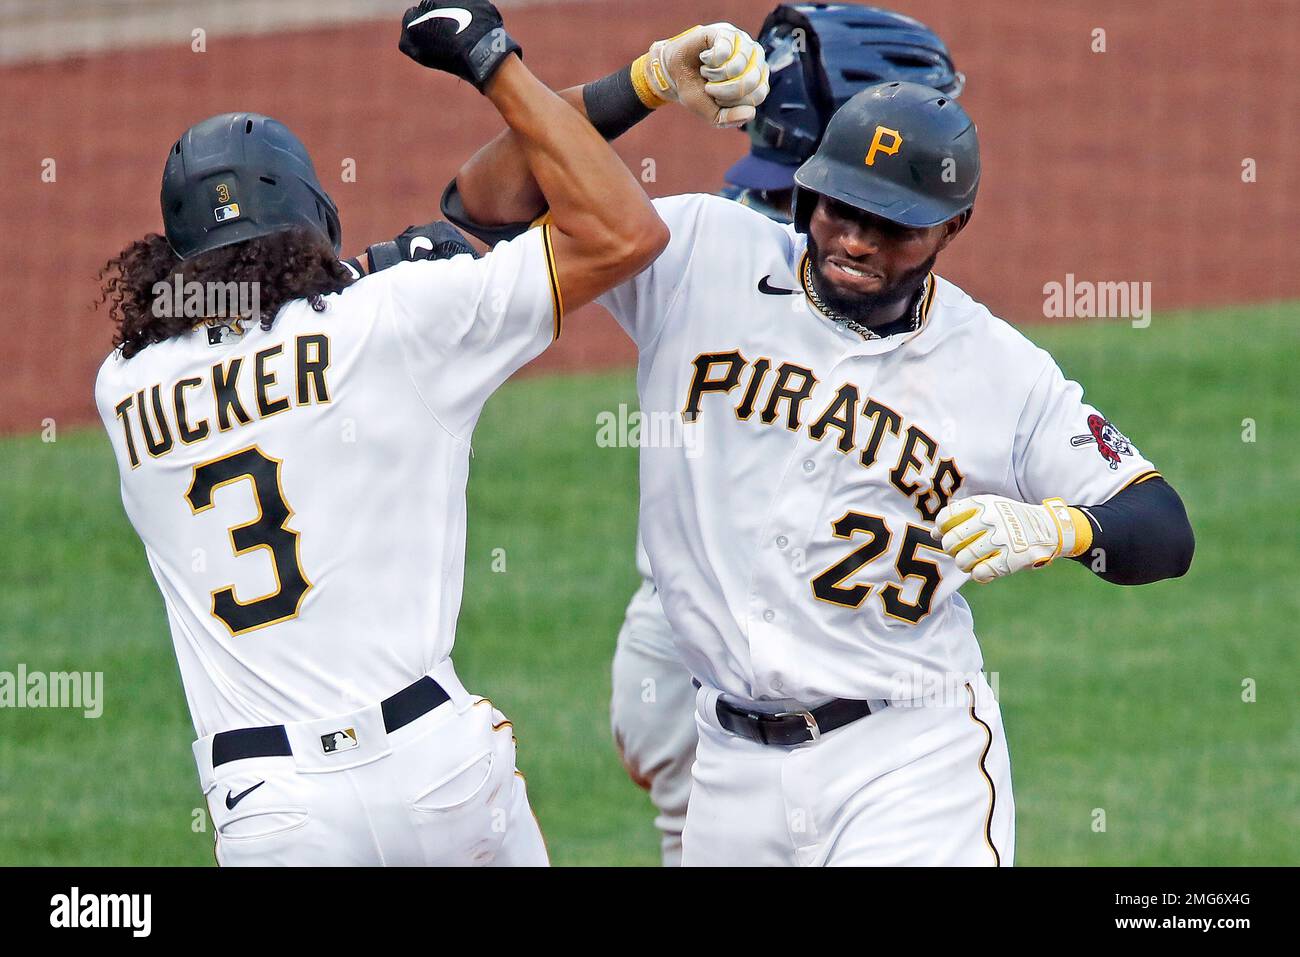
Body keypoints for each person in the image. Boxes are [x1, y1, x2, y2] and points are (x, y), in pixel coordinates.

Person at [450, 65, 1196, 861]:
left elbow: (1163, 528)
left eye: (893, 224)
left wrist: (1064, 526)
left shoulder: (1001, 373)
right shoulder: (702, 254)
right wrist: (645, 81)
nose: (854, 240)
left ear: (954, 227)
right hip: (730, 770)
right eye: (841, 208)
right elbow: (489, 206)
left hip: (908, 764)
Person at [93, 0, 667, 866]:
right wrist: (498, 62)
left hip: (272, 811)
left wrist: (378, 267)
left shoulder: (122, 385)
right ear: (312, 215)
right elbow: (622, 229)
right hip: (438, 771)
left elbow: (256, 320)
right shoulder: (397, 320)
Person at [442, 2, 965, 866]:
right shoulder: (802, 265)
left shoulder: (704, 231)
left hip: (678, 652)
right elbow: (485, 205)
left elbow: (484, 201)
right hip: (756, 676)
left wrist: (640, 84)